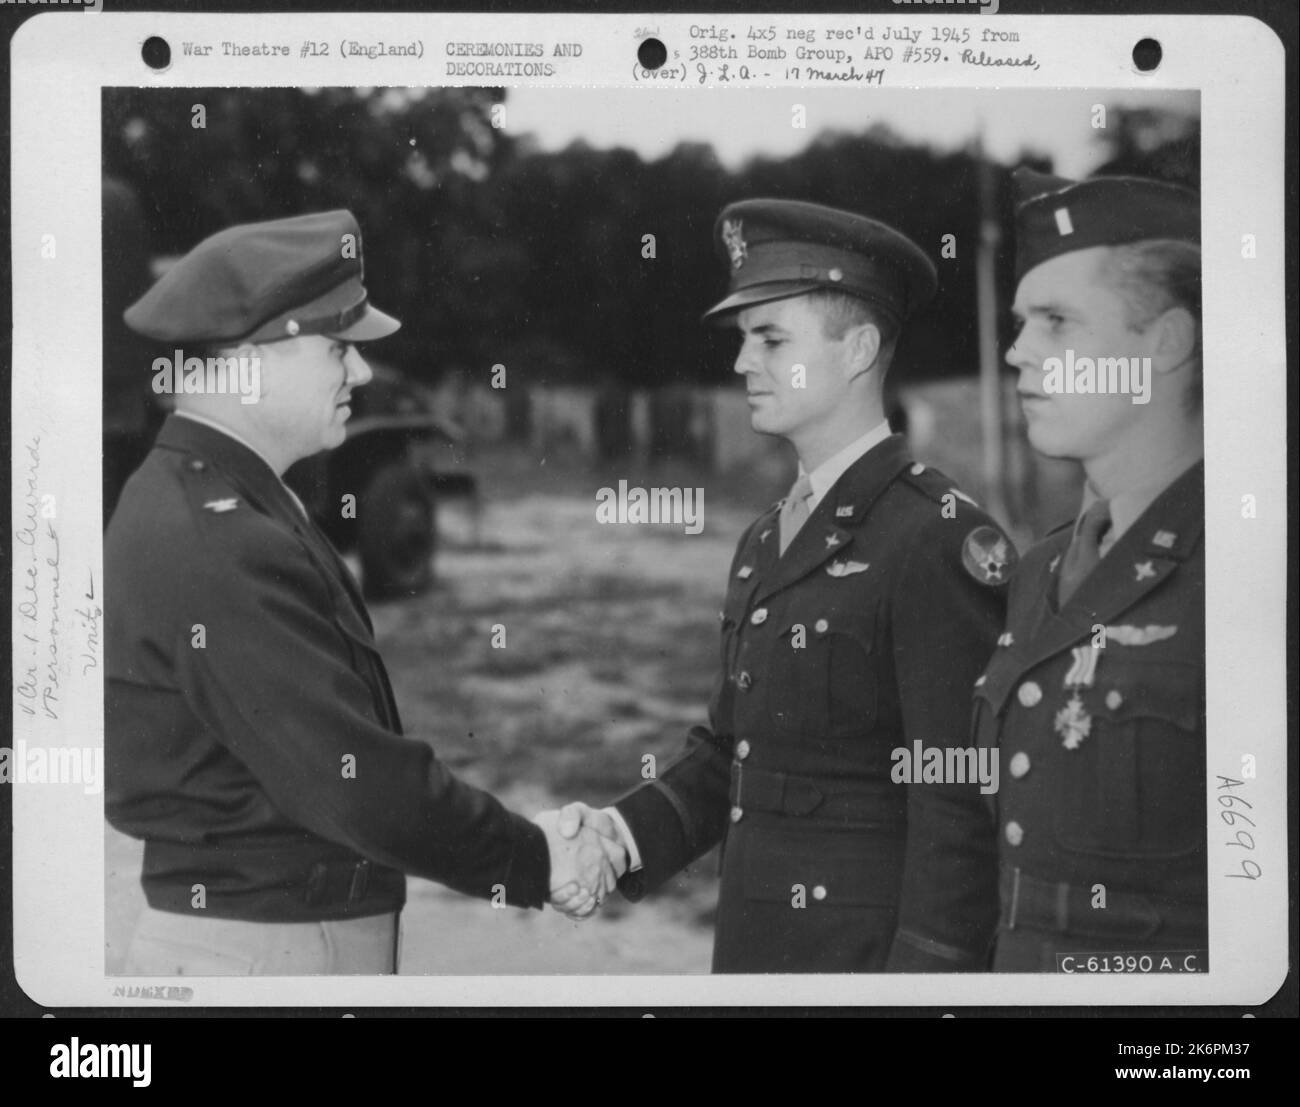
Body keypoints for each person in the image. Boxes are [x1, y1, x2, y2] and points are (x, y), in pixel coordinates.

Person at [106, 209, 621, 975]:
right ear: (254, 359)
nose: (364, 372)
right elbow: (357, 785)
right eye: (339, 348)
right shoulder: (221, 534)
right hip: (269, 953)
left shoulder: (224, 497)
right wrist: (537, 857)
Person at [550, 199, 1014, 971]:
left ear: (859, 347)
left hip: (863, 968)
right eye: (743, 340)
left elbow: (959, 802)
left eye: (770, 338)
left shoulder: (935, 537)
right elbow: (735, 751)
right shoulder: (766, 537)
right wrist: (619, 835)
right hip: (755, 952)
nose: (741, 364)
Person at [977, 168, 1205, 971]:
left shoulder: (1243, 569)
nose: (1016, 351)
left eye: (1056, 322)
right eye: (1019, 323)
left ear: (1163, 343)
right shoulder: (1041, 568)